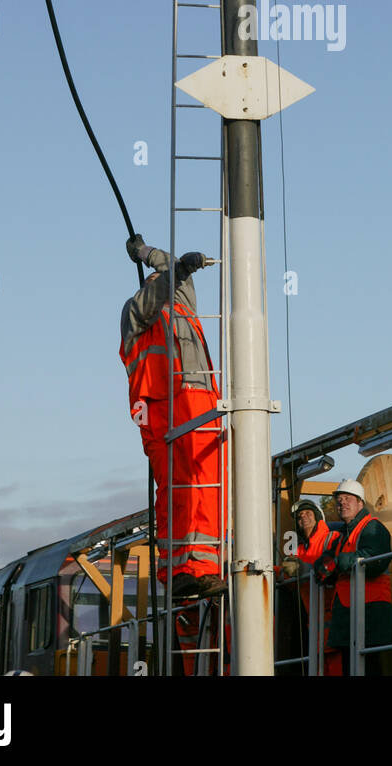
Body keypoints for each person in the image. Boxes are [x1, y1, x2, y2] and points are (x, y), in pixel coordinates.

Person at [119, 233, 225, 598]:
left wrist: (144, 252)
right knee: (177, 487)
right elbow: (157, 289)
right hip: (163, 407)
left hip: (202, 404)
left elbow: (171, 270)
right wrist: (172, 272)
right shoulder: (136, 314)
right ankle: (176, 568)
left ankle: (205, 565)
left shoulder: (185, 310)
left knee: (208, 486)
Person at [318, 479, 392, 676]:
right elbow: (330, 565)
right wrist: (325, 568)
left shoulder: (373, 528)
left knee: (369, 666)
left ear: (360, 503)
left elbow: (374, 560)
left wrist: (339, 562)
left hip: (370, 609)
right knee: (352, 666)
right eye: (339, 499)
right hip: (350, 611)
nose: (342, 503)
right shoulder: (345, 535)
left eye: (347, 498)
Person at [290, 499, 342, 676]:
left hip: (332, 611)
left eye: (308, 514)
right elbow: (288, 573)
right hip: (312, 617)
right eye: (299, 516)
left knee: (335, 662)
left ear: (318, 517)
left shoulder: (331, 538)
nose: (303, 518)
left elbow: (332, 565)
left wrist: (303, 568)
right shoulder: (298, 548)